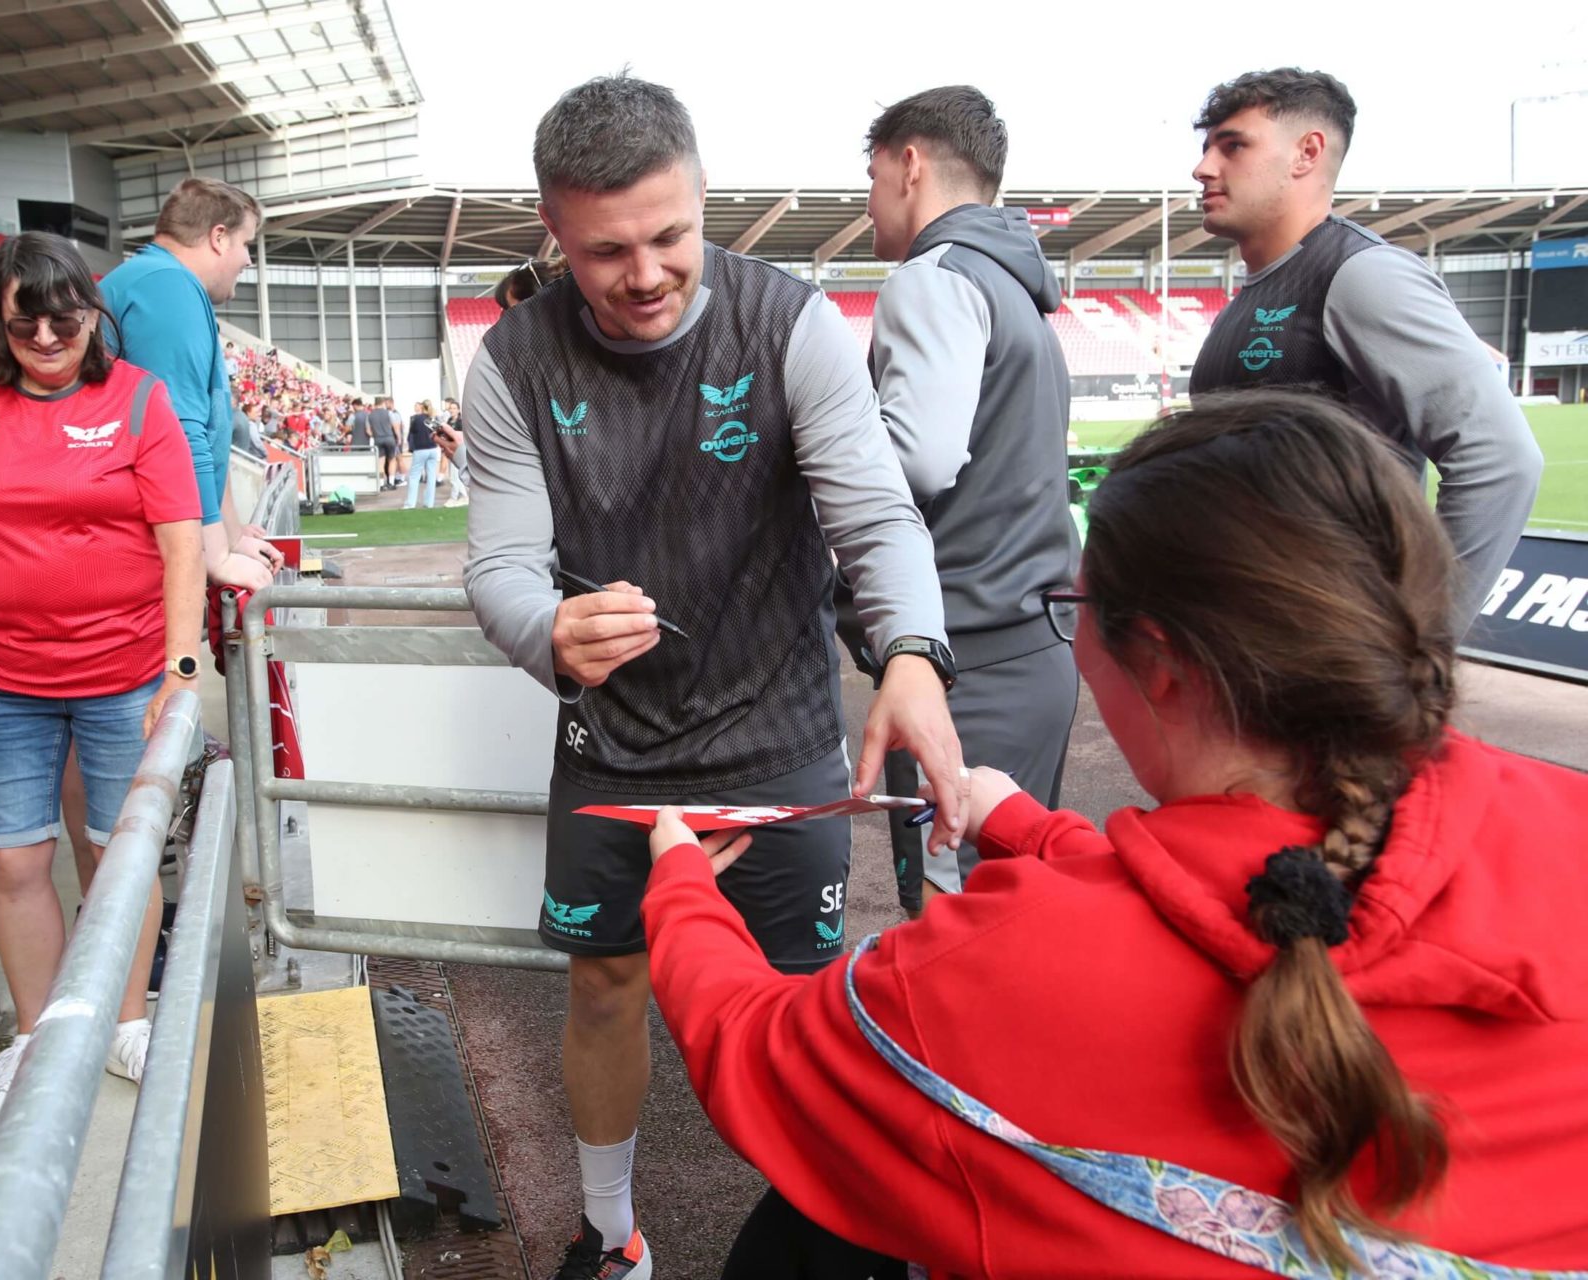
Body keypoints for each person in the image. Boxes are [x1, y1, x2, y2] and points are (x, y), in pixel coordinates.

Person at [642, 389, 1588, 1278]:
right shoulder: (1559, 826)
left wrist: (681, 883)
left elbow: (759, 1053)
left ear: (1163, 666)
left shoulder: (989, 973)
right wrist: (1026, 825)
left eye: (1080, 609)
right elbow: (1244, 899)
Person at [464, 74, 965, 1280]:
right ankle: (610, 1229)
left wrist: (910, 653)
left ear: (703, 200)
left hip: (778, 737)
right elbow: (500, 568)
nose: (645, 275)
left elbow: (876, 517)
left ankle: (825, 1236)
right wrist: (549, 628)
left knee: (799, 1011)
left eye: (671, 237)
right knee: (604, 986)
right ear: (554, 232)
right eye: (606, 251)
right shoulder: (513, 362)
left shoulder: (789, 323)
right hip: (615, 748)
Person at [0, 232, 205, 1124]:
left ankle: (126, 1020)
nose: (47, 338)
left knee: (114, 853)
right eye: (24, 322)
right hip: (7, 674)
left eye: (65, 319)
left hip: (122, 672)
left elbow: (180, 541)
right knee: (14, 856)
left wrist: (181, 666)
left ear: (93, 313)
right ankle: (33, 1036)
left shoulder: (137, 398)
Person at [837, 86, 1080, 911]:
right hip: (1030, 647)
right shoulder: (1015, 285)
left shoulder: (932, 279)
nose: (867, 202)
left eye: (870, 177)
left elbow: (917, 459)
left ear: (909, 165)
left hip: (969, 657)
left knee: (952, 929)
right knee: (1011, 914)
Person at [1186, 68, 1542, 627]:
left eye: (1233, 146)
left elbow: (1500, 458)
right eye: (1207, 148)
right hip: (1253, 642)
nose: (1203, 167)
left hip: (1329, 655)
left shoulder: (1361, 275)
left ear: (1307, 153)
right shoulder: (1253, 295)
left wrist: (1424, 636)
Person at [100, 178, 277, 592]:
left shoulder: (162, 280)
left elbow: (211, 442)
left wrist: (232, 538)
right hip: (129, 553)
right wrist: (213, 555)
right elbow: (178, 434)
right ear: (218, 237)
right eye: (246, 243)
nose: (248, 260)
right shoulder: (166, 286)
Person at [401, 399, 440, 509]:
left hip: (420, 449)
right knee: (431, 476)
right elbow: (438, 431)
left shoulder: (416, 419)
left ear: (422, 407)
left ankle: (410, 503)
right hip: (432, 448)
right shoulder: (432, 419)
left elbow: (412, 432)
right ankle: (429, 503)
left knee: (414, 476)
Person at [366, 396, 400, 489]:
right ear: (382, 403)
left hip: (378, 439)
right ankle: (391, 482)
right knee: (392, 460)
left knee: (380, 462)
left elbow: (368, 431)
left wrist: (374, 435)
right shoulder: (389, 413)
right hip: (389, 438)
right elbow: (395, 426)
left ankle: (381, 483)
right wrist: (398, 437)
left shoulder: (369, 415)